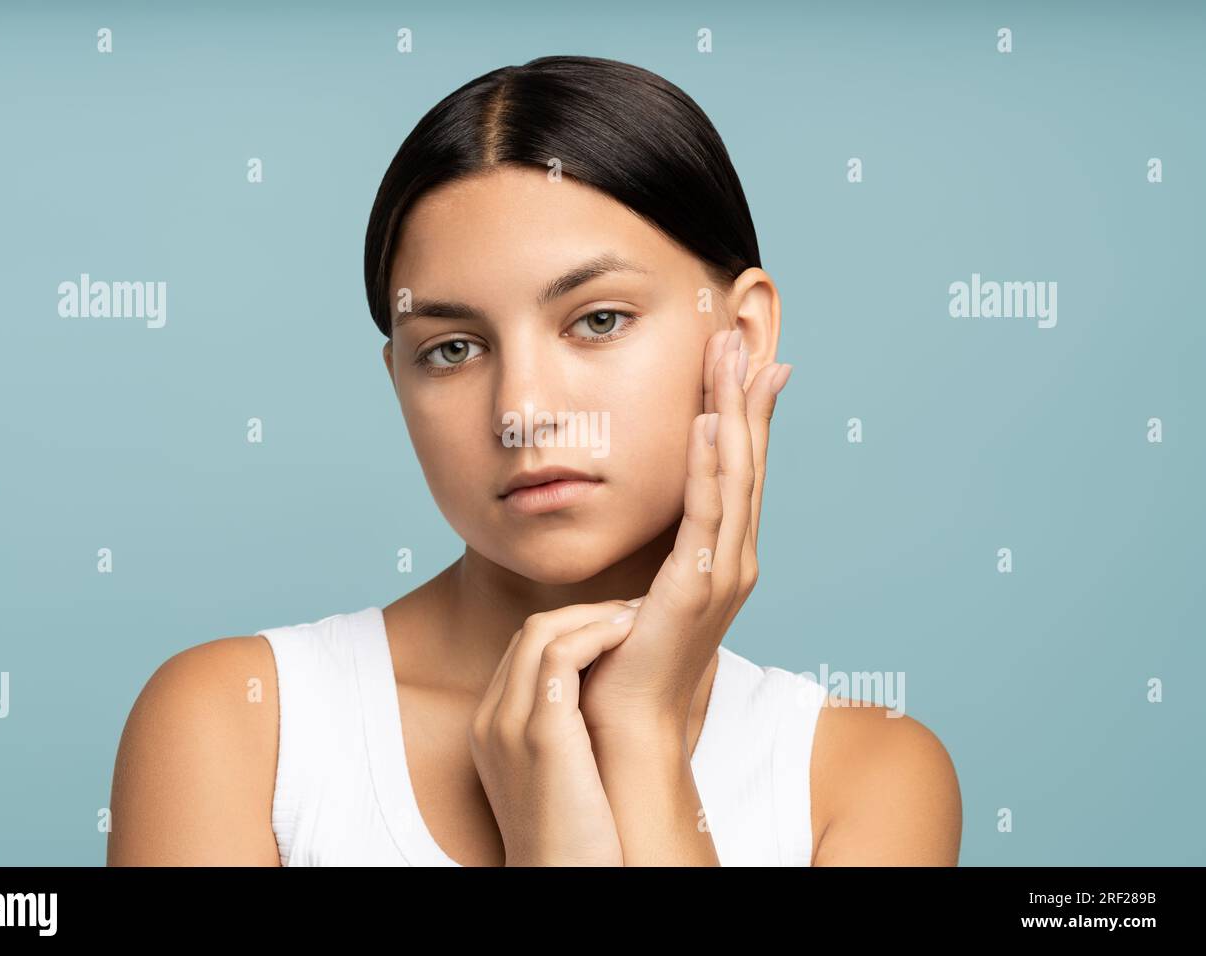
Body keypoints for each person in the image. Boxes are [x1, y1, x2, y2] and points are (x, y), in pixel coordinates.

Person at [107, 55, 961, 867]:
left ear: (741, 336)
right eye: (451, 349)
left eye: (597, 320)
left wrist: (641, 732)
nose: (521, 413)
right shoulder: (239, 726)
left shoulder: (865, 776)